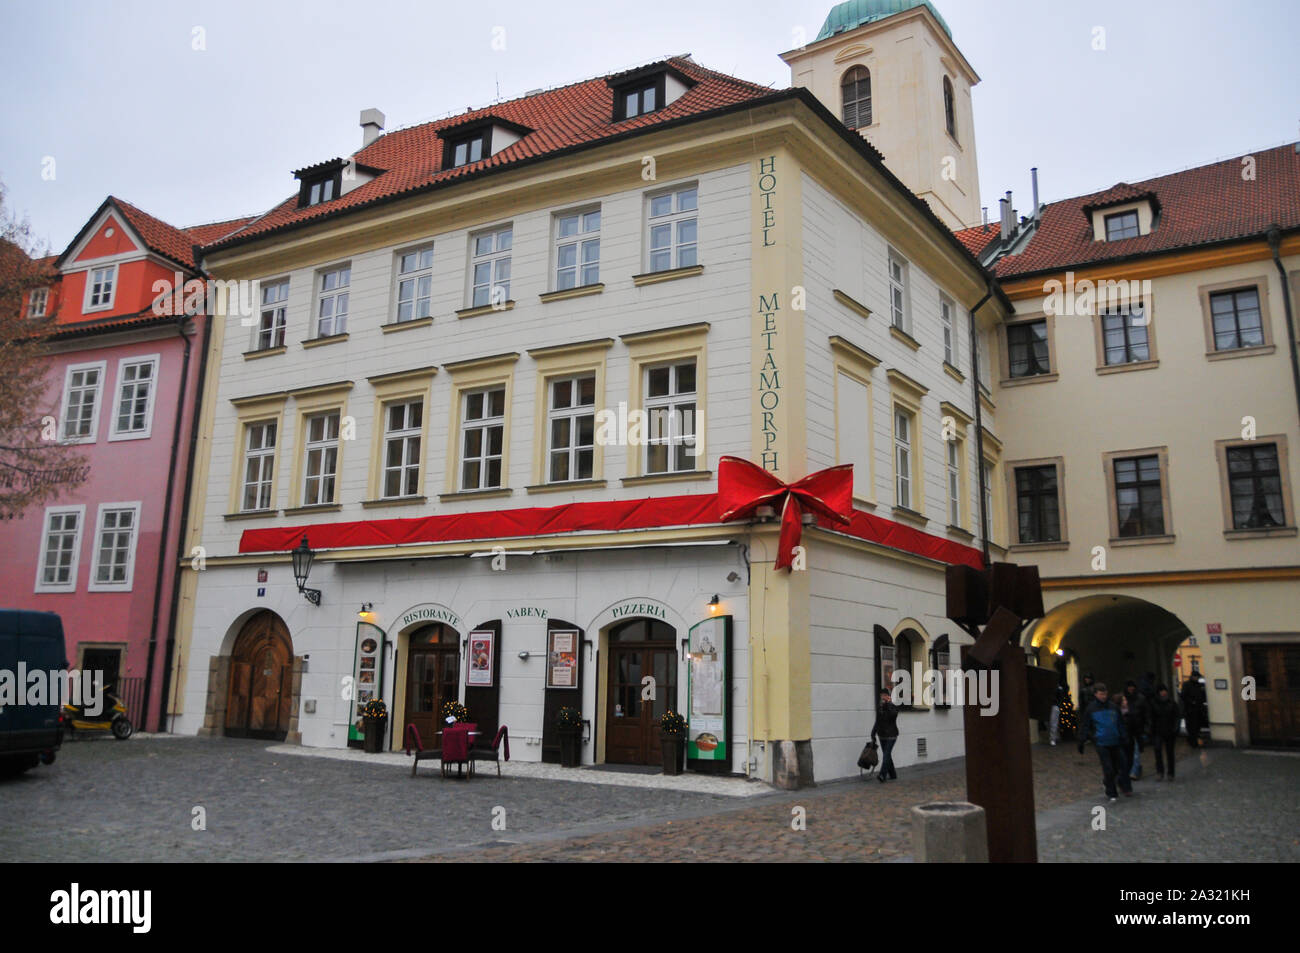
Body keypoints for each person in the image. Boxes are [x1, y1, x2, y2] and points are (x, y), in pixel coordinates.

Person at [1078, 682, 1133, 801]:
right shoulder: (1091, 709)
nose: (1103, 696)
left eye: (1105, 694)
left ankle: (1124, 786)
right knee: (1108, 768)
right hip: (1101, 742)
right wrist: (1082, 740)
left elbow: (1120, 724)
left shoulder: (1113, 707)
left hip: (1115, 740)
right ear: (1096, 694)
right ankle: (1111, 792)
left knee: (1122, 765)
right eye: (1101, 694)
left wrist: (1124, 737)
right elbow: (1085, 726)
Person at [1149, 684, 1181, 781]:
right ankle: (1160, 772)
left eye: (1164, 691)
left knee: (1170, 752)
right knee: (1158, 751)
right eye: (1162, 691)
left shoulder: (1172, 703)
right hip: (1158, 731)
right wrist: (1151, 729)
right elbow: (1151, 718)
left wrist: (1175, 728)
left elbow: (1177, 716)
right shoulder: (1154, 703)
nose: (1163, 693)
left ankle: (1170, 773)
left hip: (1170, 731)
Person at [1122, 680, 1150, 780]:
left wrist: (1146, 728)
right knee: (1129, 752)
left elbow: (1146, 714)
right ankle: (1133, 769)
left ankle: (1134, 771)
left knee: (1136, 751)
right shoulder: (1124, 698)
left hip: (1138, 729)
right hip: (1127, 729)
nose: (1131, 689)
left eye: (1132, 686)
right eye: (1129, 687)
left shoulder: (1141, 698)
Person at [871, 690, 900, 783]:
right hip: (882, 735)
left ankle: (882, 775)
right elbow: (877, 721)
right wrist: (873, 733)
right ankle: (893, 774)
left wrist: (888, 704)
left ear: (888, 696)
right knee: (886, 755)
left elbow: (893, 716)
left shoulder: (893, 706)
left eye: (884, 695)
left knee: (886, 754)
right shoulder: (880, 707)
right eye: (881, 695)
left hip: (891, 735)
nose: (882, 697)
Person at [1181, 673, 1206, 747]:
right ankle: (1192, 742)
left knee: (1197, 726)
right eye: (1196, 677)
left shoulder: (1199, 685)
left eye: (1198, 677)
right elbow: (1183, 696)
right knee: (1191, 727)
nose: (1197, 678)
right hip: (1190, 710)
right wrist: (1191, 702)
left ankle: (1195, 741)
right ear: (1192, 677)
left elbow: (1203, 695)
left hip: (1198, 709)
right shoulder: (1186, 685)